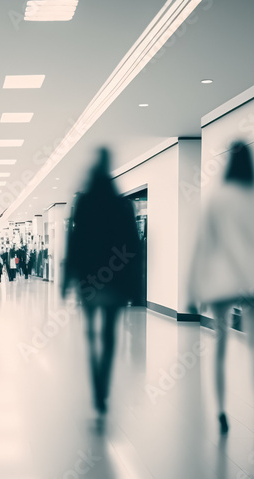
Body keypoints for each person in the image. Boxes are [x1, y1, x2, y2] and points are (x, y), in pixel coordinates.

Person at [187, 140, 254, 479]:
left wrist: (192, 290)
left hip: (224, 281)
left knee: (218, 343)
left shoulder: (217, 201)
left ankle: (220, 412)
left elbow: (203, 247)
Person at [63, 147, 142, 417]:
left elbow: (73, 242)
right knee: (109, 336)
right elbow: (133, 246)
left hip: (89, 279)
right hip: (116, 280)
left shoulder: (83, 203)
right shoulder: (123, 205)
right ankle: (103, 389)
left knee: (91, 334)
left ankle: (96, 382)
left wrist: (66, 280)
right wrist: (134, 283)